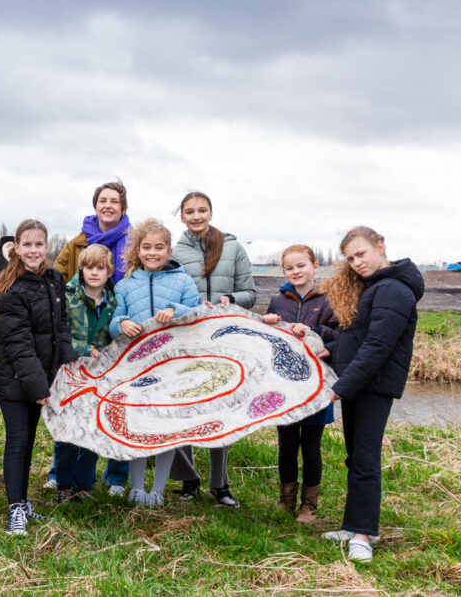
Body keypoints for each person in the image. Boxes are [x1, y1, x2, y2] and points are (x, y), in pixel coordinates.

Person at [319, 227, 423, 562]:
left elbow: (378, 346)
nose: (356, 262)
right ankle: (355, 525)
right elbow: (359, 340)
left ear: (380, 246)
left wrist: (340, 387)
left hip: (373, 387)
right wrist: (330, 349)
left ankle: (363, 535)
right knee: (355, 458)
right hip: (360, 383)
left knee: (365, 460)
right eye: (350, 258)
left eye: (361, 253)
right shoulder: (373, 287)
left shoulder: (393, 289)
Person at [169, 191, 255, 507]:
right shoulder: (174, 252)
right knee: (184, 409)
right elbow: (168, 294)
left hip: (224, 340)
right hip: (187, 341)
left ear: (211, 212)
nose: (196, 216)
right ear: (181, 216)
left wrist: (229, 301)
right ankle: (188, 479)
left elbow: (250, 293)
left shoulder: (233, 248)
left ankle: (220, 485)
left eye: (201, 210)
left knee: (222, 409)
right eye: (189, 211)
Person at [0, 219, 77, 536]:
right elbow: (19, 344)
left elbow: (61, 330)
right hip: (16, 379)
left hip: (41, 377)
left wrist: (68, 370)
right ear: (16, 248)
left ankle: (24, 502)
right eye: (26, 244)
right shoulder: (10, 288)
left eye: (38, 244)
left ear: (47, 246)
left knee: (29, 442)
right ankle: (15, 510)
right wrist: (40, 387)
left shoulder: (53, 279)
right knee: (17, 441)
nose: (33, 250)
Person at [108, 219, 200, 508]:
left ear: (169, 250)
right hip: (136, 367)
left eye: (159, 247)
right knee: (137, 426)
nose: (153, 252)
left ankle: (157, 490)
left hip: (172, 365)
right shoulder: (124, 285)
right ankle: (136, 488)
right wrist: (121, 324)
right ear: (138, 250)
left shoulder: (183, 281)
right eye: (146, 247)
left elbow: (197, 315)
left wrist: (176, 310)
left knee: (165, 429)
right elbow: (113, 321)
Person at [50, 181, 131, 493]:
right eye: (102, 200)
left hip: (111, 340)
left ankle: (111, 478)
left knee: (108, 413)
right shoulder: (78, 243)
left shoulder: (130, 241)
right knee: (70, 419)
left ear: (123, 206)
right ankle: (61, 477)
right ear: (95, 205)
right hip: (75, 355)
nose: (108, 205)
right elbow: (57, 278)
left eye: (114, 201)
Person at [262, 245, 338, 523]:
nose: (296, 271)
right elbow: (268, 340)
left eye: (301, 266)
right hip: (285, 384)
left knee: (311, 446)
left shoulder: (329, 300)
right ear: (283, 271)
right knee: (286, 444)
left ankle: (309, 505)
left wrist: (314, 331)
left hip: (317, 384)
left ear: (315, 266)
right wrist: (267, 323)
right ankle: (286, 501)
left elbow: (339, 334)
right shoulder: (277, 302)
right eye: (290, 268)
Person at [55, 244, 118, 502]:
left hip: (99, 377)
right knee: (68, 433)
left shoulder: (113, 301)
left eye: (100, 268)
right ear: (81, 269)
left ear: (109, 271)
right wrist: (82, 348)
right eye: (89, 267)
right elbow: (58, 332)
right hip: (70, 373)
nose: (94, 273)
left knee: (93, 430)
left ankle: (84, 485)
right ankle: (63, 485)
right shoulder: (68, 296)